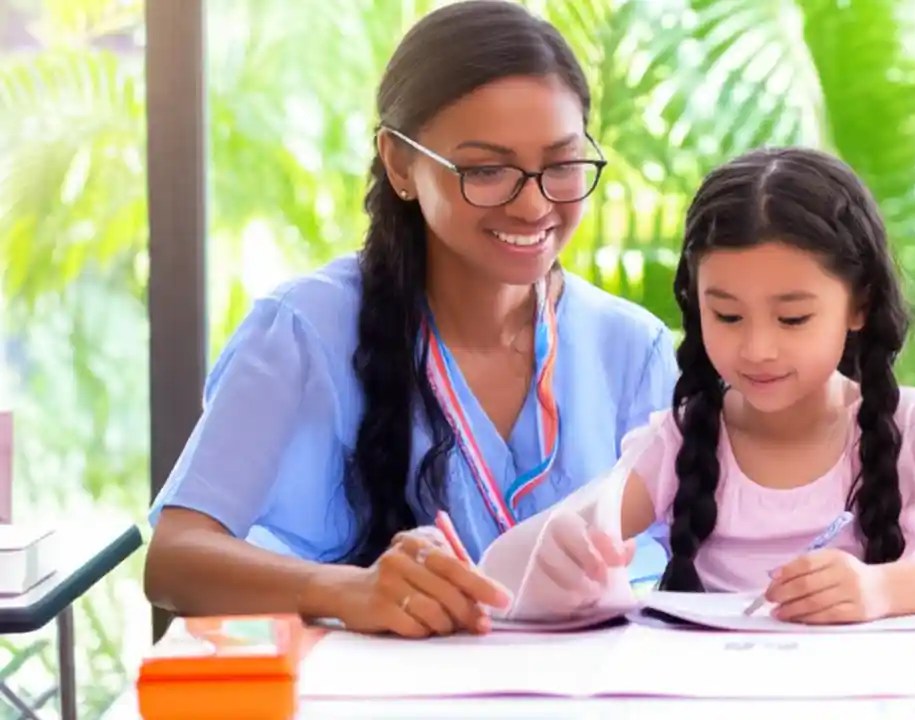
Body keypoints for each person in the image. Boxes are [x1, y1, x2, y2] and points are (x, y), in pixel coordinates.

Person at [143, 0, 676, 639]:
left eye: (561, 166)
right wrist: (347, 589)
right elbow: (174, 560)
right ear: (400, 163)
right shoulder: (304, 331)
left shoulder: (630, 347)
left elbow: (704, 555)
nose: (534, 204)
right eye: (486, 170)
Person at [483, 147, 915, 624]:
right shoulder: (681, 440)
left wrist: (882, 590)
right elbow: (507, 568)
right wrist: (565, 556)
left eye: (792, 319)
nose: (758, 349)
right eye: (728, 317)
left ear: (858, 305)